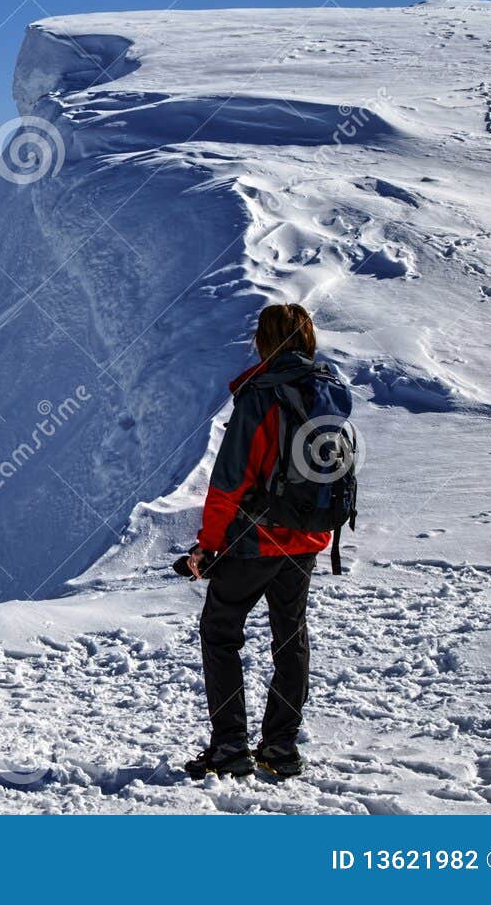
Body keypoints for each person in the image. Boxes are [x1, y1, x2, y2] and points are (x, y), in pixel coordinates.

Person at [182, 303, 334, 780]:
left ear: (264, 342)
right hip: (306, 539)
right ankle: (282, 748)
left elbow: (229, 481)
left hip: (254, 540)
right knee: (290, 639)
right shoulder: (328, 390)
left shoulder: (259, 394)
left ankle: (230, 747)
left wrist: (206, 545)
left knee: (220, 633)